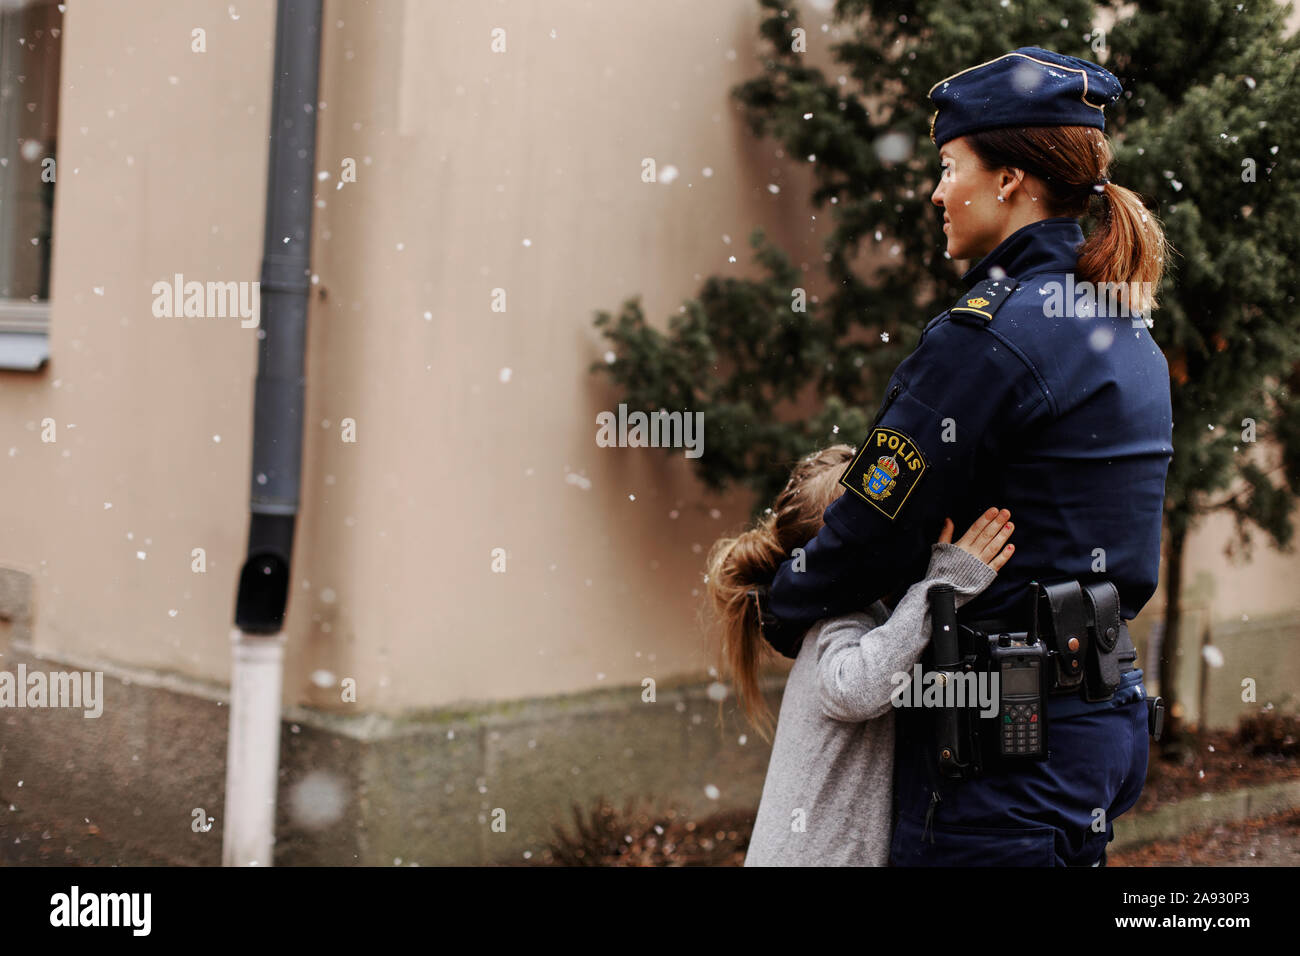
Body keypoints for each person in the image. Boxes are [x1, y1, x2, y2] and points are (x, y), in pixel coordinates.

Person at [757, 47, 1174, 866]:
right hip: (1100, 725)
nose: (937, 191)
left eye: (951, 167)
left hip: (999, 747)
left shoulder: (985, 341)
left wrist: (785, 599)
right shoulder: (1123, 327)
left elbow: (873, 521)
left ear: (1011, 179)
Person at [705, 444, 1015, 865]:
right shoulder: (838, 618)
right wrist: (941, 588)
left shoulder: (856, 611)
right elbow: (855, 689)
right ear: (847, 549)